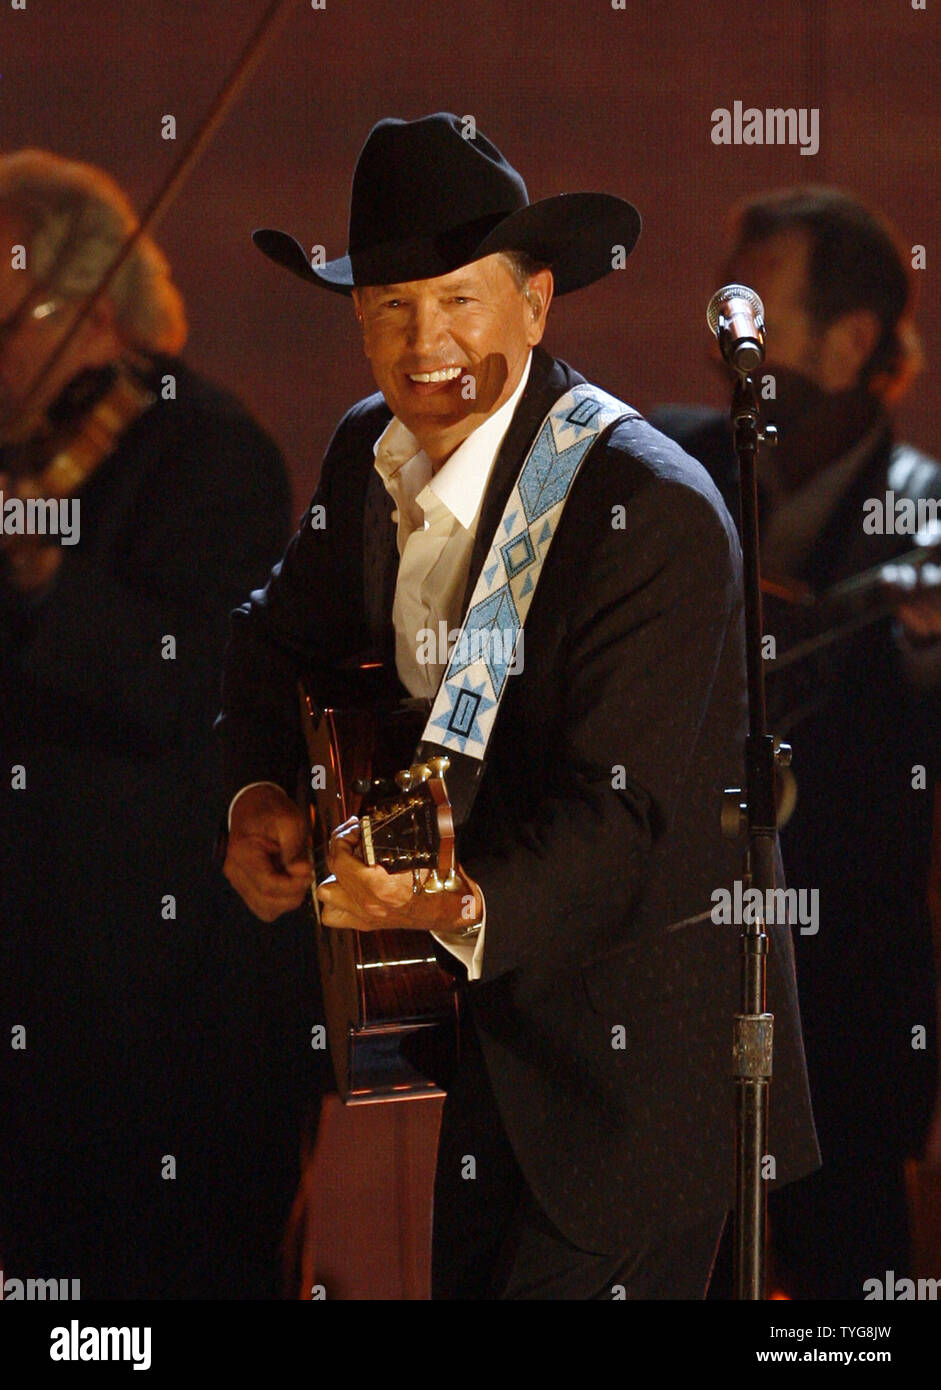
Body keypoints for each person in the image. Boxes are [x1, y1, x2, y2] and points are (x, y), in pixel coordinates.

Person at [218, 112, 819, 1300]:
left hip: (628, 1094)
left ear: (536, 304)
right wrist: (255, 796)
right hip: (459, 1059)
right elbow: (267, 646)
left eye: (457, 301)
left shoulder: (647, 510)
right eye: (390, 305)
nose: (422, 342)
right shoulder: (363, 455)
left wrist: (446, 894)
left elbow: (621, 823)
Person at [0, 150, 317, 1297]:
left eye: (6, 324)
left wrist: (45, 570)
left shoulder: (209, 451)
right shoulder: (24, 456)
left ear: (94, 312)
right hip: (43, 1001)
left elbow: (190, 686)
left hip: (160, 1013)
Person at [651, 187, 941, 1299]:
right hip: (672, 1020)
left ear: (851, 339)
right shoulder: (673, 461)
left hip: (844, 1034)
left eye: (754, 314)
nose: (726, 341)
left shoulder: (922, 516)